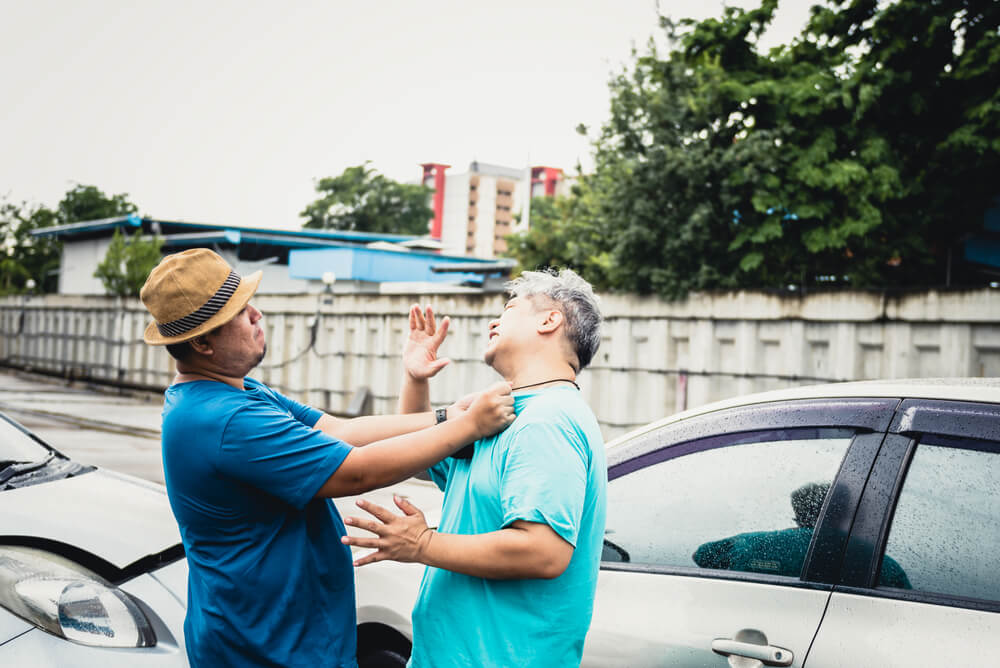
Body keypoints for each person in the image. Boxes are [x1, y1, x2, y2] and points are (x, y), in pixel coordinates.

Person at [138, 248, 515, 668]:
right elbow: (355, 471)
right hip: (265, 648)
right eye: (242, 312)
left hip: (289, 635)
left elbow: (340, 431)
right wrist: (467, 427)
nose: (258, 315)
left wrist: (447, 416)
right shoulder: (224, 420)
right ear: (203, 343)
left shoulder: (237, 392)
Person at [342, 268, 607, 667]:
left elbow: (543, 551)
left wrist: (422, 544)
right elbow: (423, 453)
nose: (494, 321)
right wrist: (416, 380)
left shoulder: (547, 421)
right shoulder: (503, 413)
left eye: (510, 308)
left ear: (550, 320)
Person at [693, 482, 910, 587]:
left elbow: (701, 555)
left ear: (797, 514)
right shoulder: (880, 564)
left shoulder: (751, 543)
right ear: (845, 515)